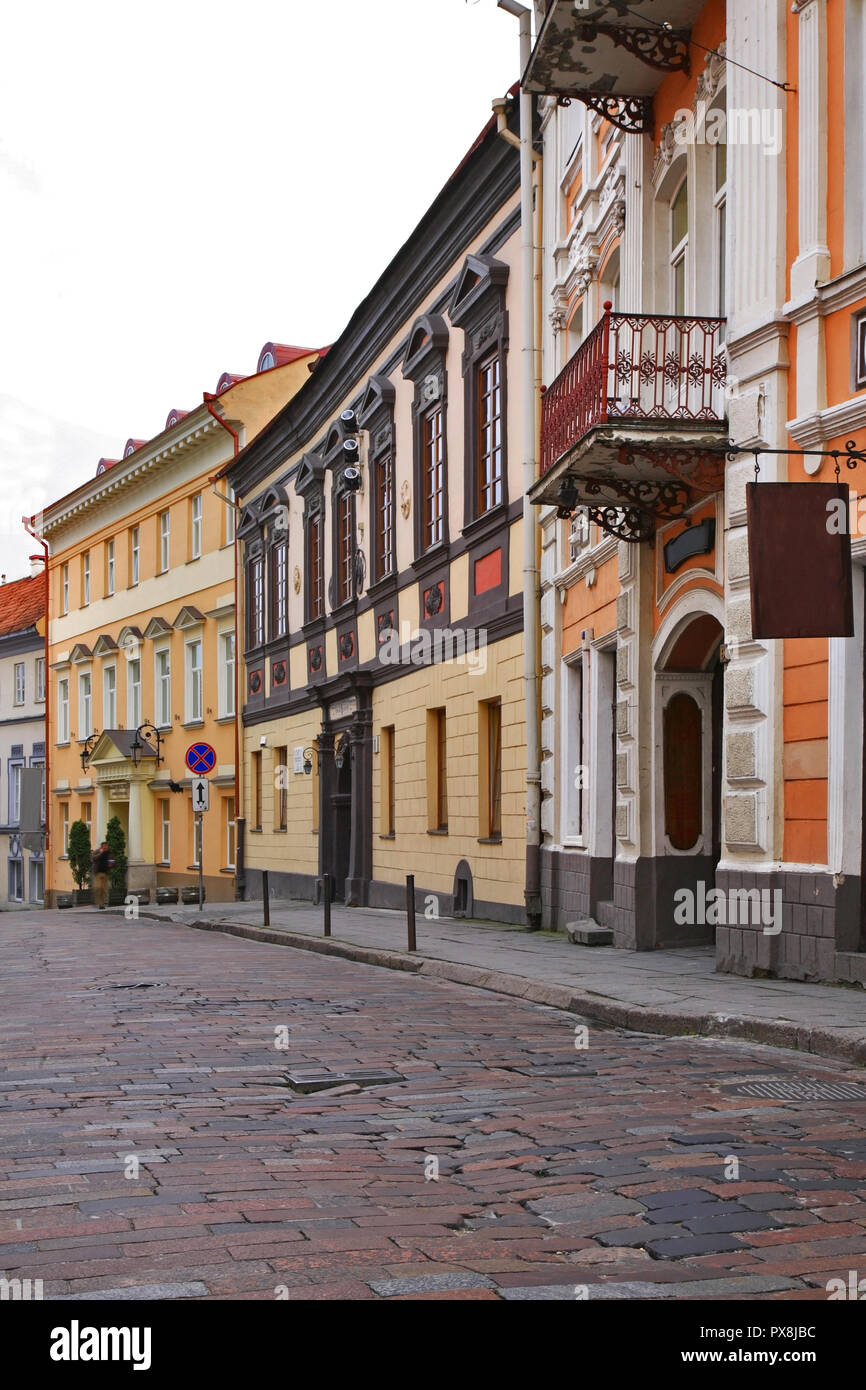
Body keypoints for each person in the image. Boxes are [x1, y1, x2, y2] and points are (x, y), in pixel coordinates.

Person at [91, 841, 115, 910]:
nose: (105, 847)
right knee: (98, 887)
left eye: (106, 846)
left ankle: (101, 904)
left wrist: (111, 864)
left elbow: (112, 862)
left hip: (105, 873)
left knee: (103, 890)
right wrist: (100, 853)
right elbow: (93, 858)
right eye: (104, 846)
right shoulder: (97, 851)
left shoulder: (110, 853)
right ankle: (97, 900)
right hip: (98, 873)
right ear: (101, 846)